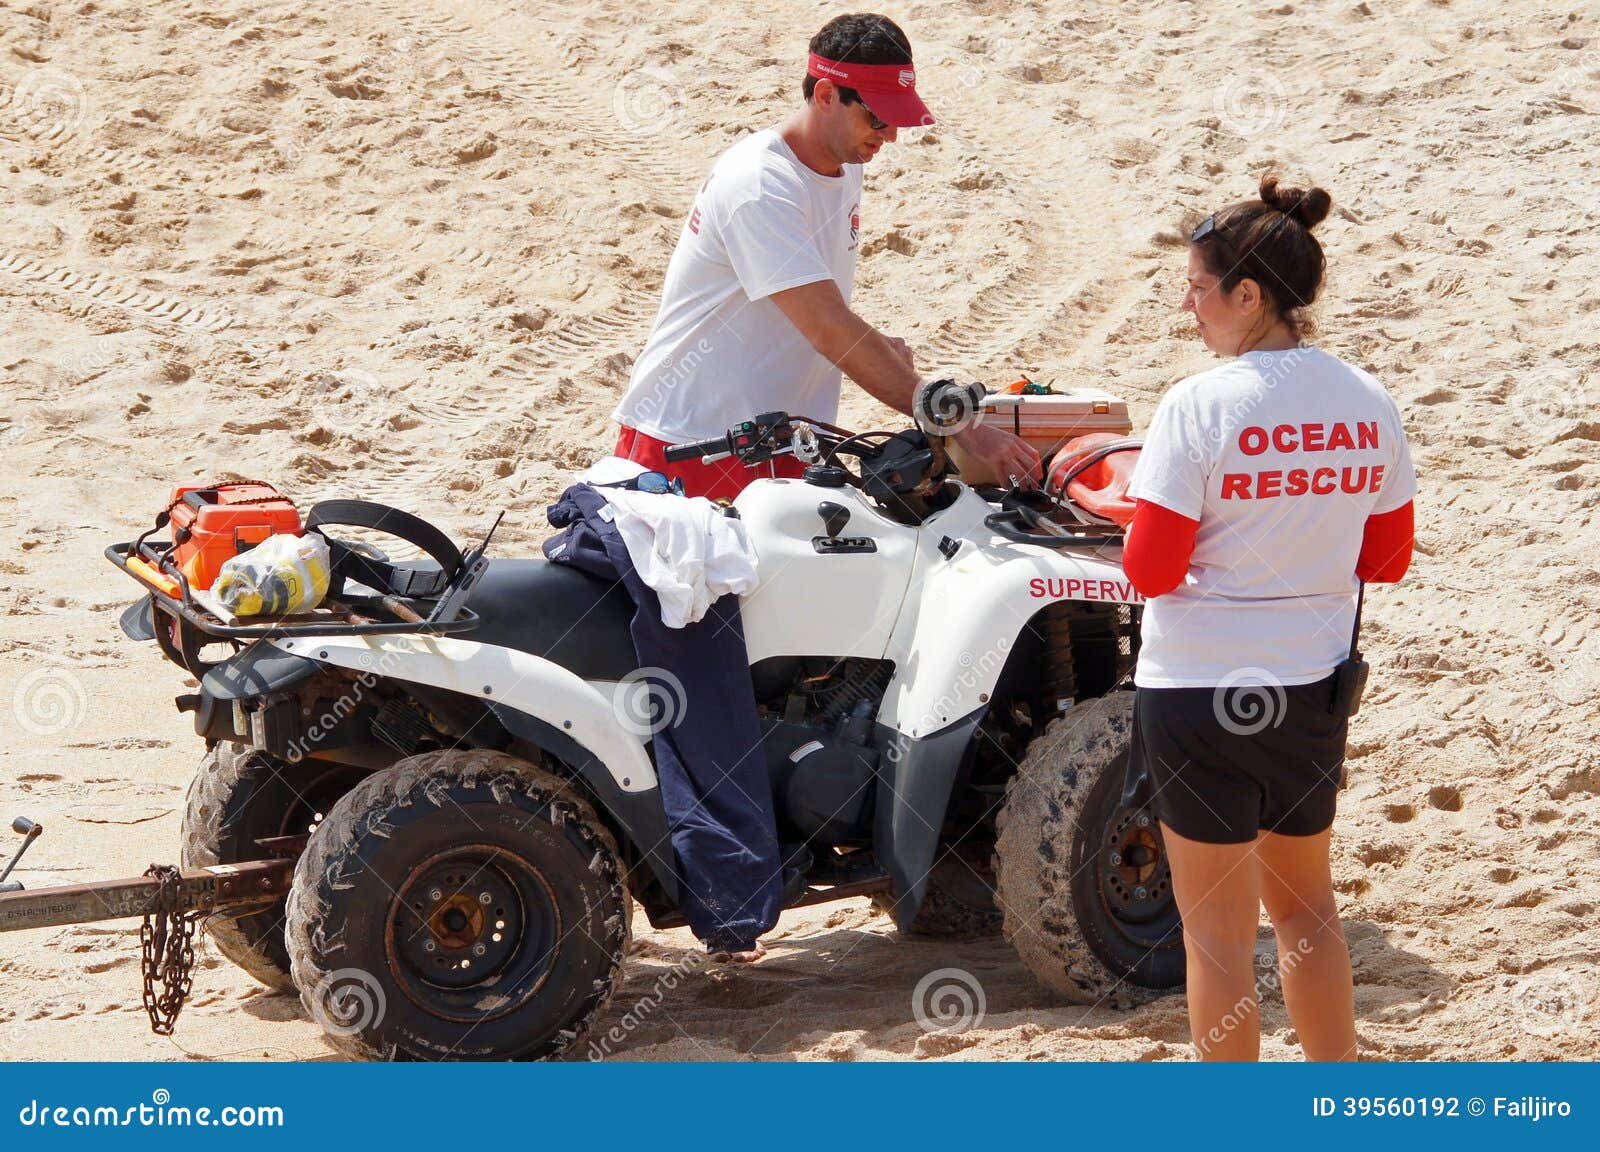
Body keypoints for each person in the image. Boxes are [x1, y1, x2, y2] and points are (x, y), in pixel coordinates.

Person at [1120, 175, 1417, 1061]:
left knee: (1214, 934)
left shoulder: (1199, 404)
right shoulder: (1366, 398)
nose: (1188, 306)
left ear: (1248, 295)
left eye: (1199, 288)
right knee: (1308, 910)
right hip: (1308, 686)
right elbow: (1386, 560)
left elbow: (1152, 570)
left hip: (1200, 690)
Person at [611, 12, 1039, 499]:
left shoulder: (845, 164)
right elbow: (828, 328)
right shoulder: (759, 185)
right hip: (693, 444)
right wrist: (960, 423)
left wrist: (878, 350)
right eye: (877, 117)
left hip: (783, 442)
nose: (890, 135)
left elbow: (810, 310)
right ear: (825, 95)